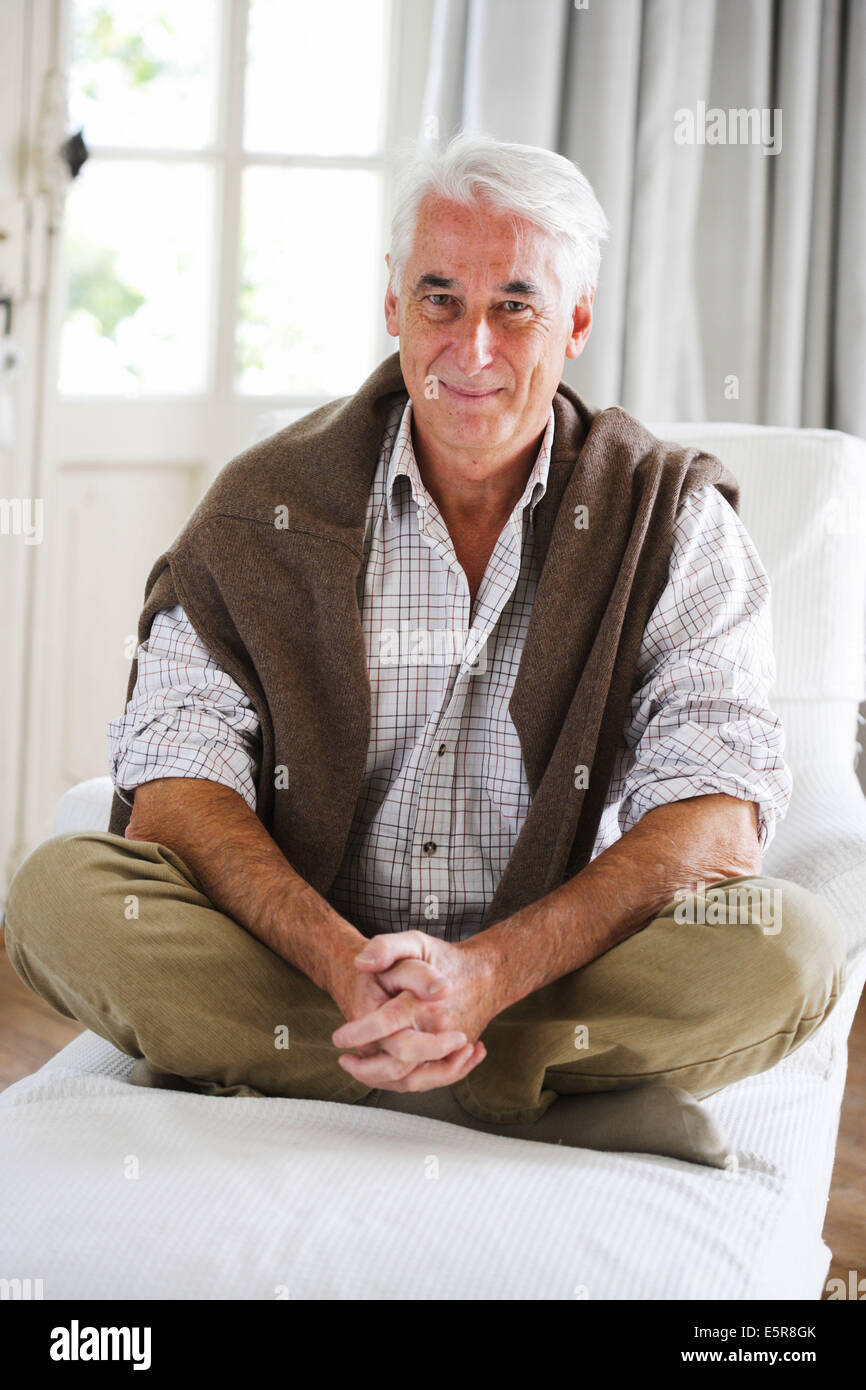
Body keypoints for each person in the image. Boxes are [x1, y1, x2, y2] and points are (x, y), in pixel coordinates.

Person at [4, 134, 846, 1167]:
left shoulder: (665, 522)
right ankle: (521, 1084)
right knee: (56, 893)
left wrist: (488, 972)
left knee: (785, 947)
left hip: (552, 971)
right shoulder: (259, 506)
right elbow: (178, 784)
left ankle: (309, 1061)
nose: (472, 348)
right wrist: (343, 964)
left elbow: (711, 820)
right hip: (304, 961)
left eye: (515, 306)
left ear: (575, 320)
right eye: (439, 299)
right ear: (392, 306)